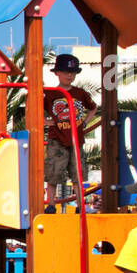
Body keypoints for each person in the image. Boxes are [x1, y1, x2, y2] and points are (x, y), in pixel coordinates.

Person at [44, 53, 97, 204]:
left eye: (72, 72)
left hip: (75, 138)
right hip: (57, 138)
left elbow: (93, 108)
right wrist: (45, 121)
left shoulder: (80, 93)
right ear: (56, 73)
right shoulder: (50, 93)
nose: (69, 75)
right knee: (53, 173)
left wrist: (85, 122)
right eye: (66, 72)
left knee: (77, 173)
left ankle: (80, 205)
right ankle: (51, 204)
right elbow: (34, 108)